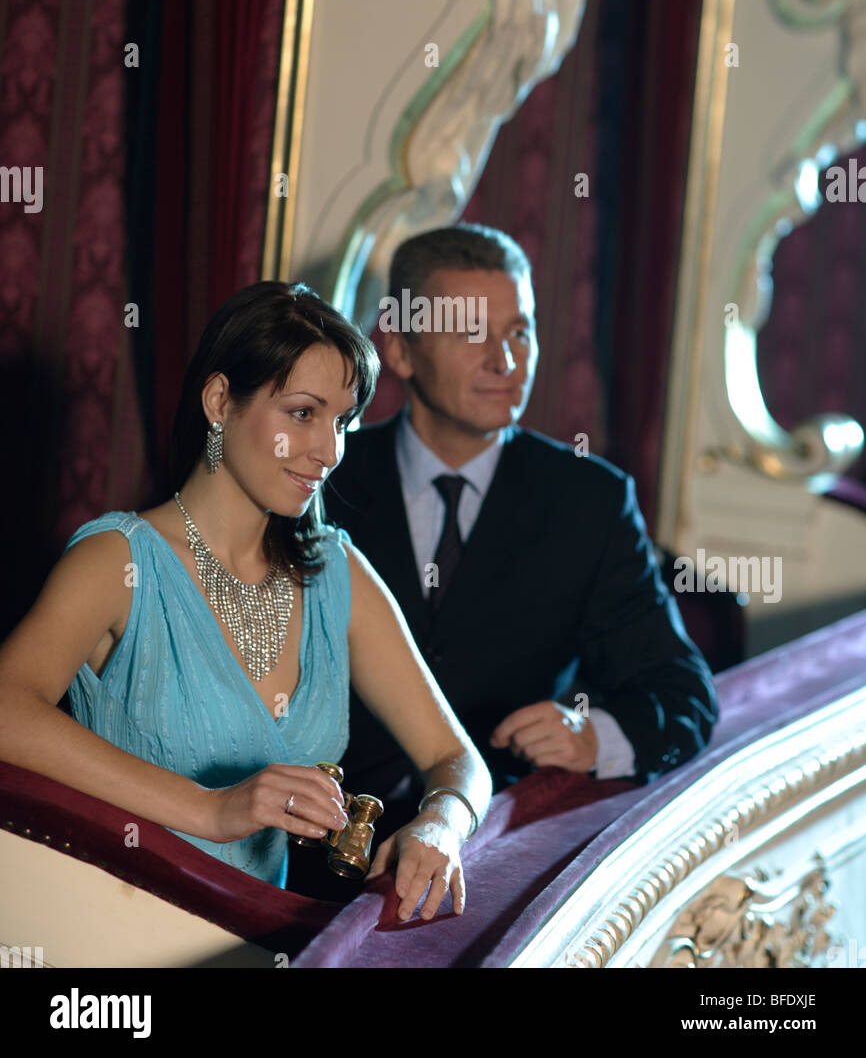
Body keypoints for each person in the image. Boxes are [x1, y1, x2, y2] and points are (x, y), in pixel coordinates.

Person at [0, 282, 491, 924]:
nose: (329, 450)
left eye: (342, 421)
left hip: (256, 943)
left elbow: (459, 761)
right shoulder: (119, 559)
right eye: (302, 413)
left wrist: (442, 825)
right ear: (219, 401)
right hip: (105, 937)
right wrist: (213, 808)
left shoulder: (334, 569)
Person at [325, 225, 719, 810]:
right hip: (304, 846)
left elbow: (683, 694)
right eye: (472, 333)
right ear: (401, 349)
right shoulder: (319, 479)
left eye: (520, 332)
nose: (505, 361)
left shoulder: (590, 501)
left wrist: (593, 736)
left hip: (496, 848)